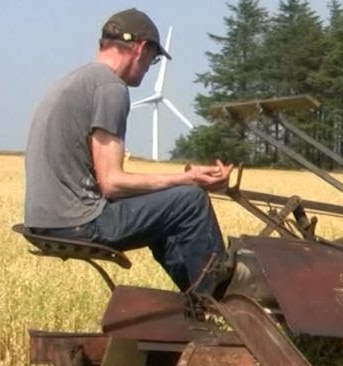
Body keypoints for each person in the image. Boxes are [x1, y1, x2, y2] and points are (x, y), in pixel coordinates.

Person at [23, 8, 234, 294]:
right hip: (79, 221)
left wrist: (178, 182)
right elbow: (112, 183)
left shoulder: (75, 79)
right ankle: (225, 302)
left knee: (169, 206)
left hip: (45, 220)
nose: (150, 67)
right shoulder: (110, 87)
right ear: (141, 48)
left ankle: (196, 302)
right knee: (191, 202)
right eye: (153, 59)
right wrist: (189, 180)